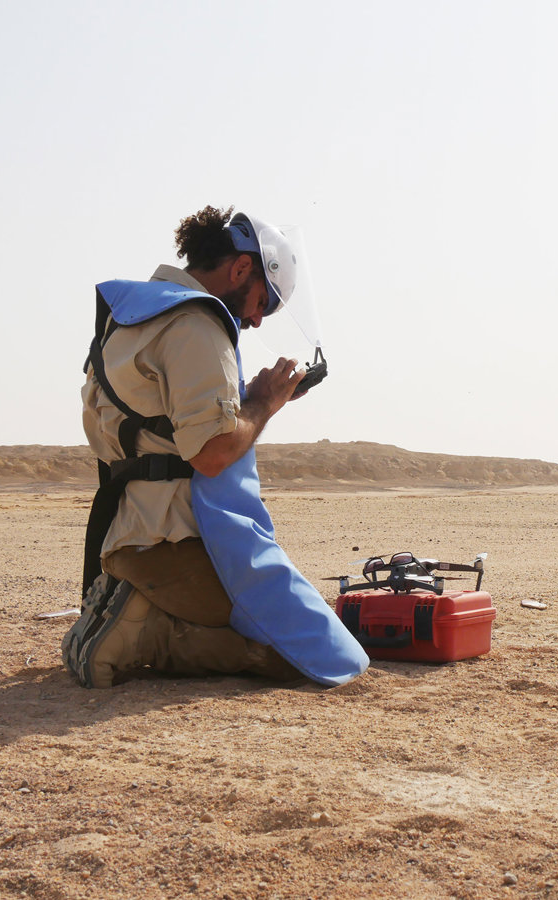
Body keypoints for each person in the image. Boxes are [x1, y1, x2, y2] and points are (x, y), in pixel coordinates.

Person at [62, 206, 368, 688]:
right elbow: (213, 454)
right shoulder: (197, 325)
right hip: (176, 546)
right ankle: (147, 633)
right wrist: (263, 404)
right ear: (242, 269)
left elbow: (158, 432)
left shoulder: (132, 317)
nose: (258, 321)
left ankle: (141, 606)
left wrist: (249, 402)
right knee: (322, 655)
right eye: (264, 303)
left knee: (300, 629)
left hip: (130, 537)